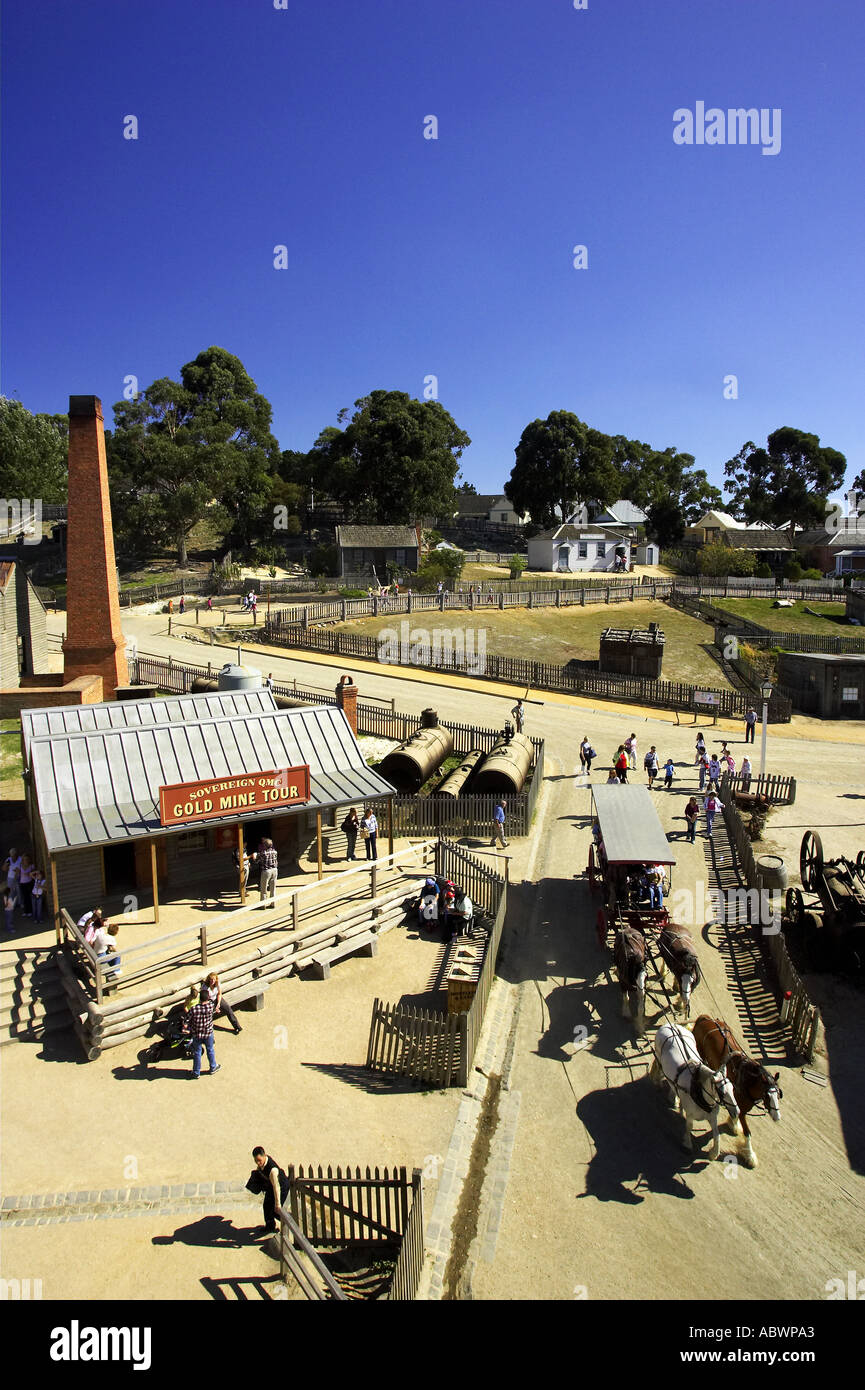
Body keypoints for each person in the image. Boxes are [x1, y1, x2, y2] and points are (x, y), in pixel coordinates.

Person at [249, 1147, 289, 1236]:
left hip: (281, 1187)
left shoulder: (273, 1170)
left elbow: (276, 1188)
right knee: (266, 1205)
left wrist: (278, 1204)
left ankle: (289, 1221)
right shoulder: (263, 1162)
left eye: (259, 1160)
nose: (258, 1163)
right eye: (256, 1161)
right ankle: (270, 1226)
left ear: (264, 1156)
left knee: (276, 1211)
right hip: (271, 1185)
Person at [189, 987, 220, 1078]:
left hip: (197, 1034)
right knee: (210, 1050)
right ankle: (213, 1067)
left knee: (197, 1053)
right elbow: (213, 1003)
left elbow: (187, 1020)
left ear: (200, 998)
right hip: (208, 1033)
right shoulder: (211, 1006)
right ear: (208, 998)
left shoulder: (194, 1009)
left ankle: (196, 1072)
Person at [257, 839, 278, 908]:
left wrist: (255, 856)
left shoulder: (263, 853)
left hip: (266, 871)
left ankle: (263, 904)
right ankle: (273, 903)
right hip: (274, 870)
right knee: (273, 888)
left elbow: (257, 861)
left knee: (263, 888)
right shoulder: (275, 852)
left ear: (265, 845)